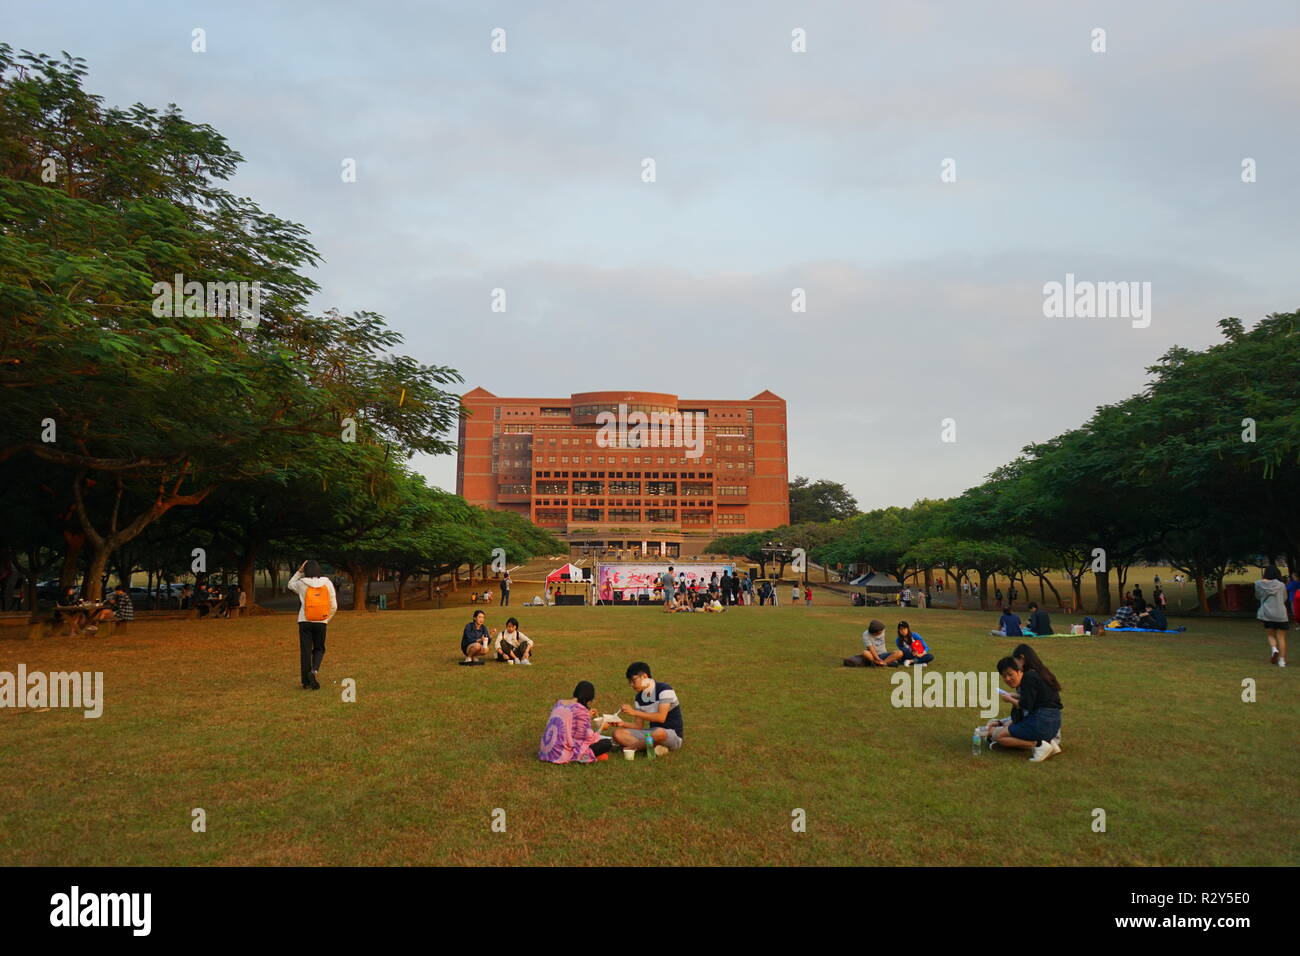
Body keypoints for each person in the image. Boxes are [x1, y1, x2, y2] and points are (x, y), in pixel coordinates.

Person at [987, 656, 1062, 762]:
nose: (1007, 679)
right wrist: (1001, 722)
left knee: (998, 736)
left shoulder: (1028, 682)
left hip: (1041, 725)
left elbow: (1025, 710)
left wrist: (1010, 700)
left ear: (1020, 671)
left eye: (1010, 674)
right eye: (1004, 676)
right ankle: (1049, 743)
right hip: (1052, 726)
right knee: (996, 730)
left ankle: (1039, 744)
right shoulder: (1036, 678)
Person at [611, 661, 683, 756]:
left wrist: (634, 712)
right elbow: (638, 726)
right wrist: (622, 723)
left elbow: (661, 718)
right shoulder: (639, 698)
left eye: (633, 680)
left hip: (672, 734)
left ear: (644, 676)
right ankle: (653, 747)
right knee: (617, 734)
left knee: (659, 733)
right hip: (652, 733)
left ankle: (629, 748)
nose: (631, 684)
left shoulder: (664, 689)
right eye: (629, 682)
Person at [288, 560, 338, 690]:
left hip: (304, 621)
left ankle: (305, 681)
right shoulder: (327, 583)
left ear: (306, 570)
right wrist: (326, 619)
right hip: (320, 621)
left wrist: (299, 571)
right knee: (319, 648)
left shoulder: (301, 584)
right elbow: (333, 605)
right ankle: (314, 671)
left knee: (305, 651)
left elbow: (290, 585)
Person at [538, 681, 613, 764]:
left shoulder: (559, 703)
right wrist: (601, 727)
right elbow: (586, 738)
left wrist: (586, 717)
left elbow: (569, 723)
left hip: (546, 751)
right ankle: (584, 758)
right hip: (561, 754)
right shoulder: (580, 710)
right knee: (607, 743)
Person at [1255, 565, 1289, 667]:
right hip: (1280, 614)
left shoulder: (1258, 584)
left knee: (1270, 635)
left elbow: (1258, 596)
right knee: (1281, 637)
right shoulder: (1281, 585)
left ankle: (1274, 649)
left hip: (1266, 613)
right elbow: (1284, 598)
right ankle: (1282, 661)